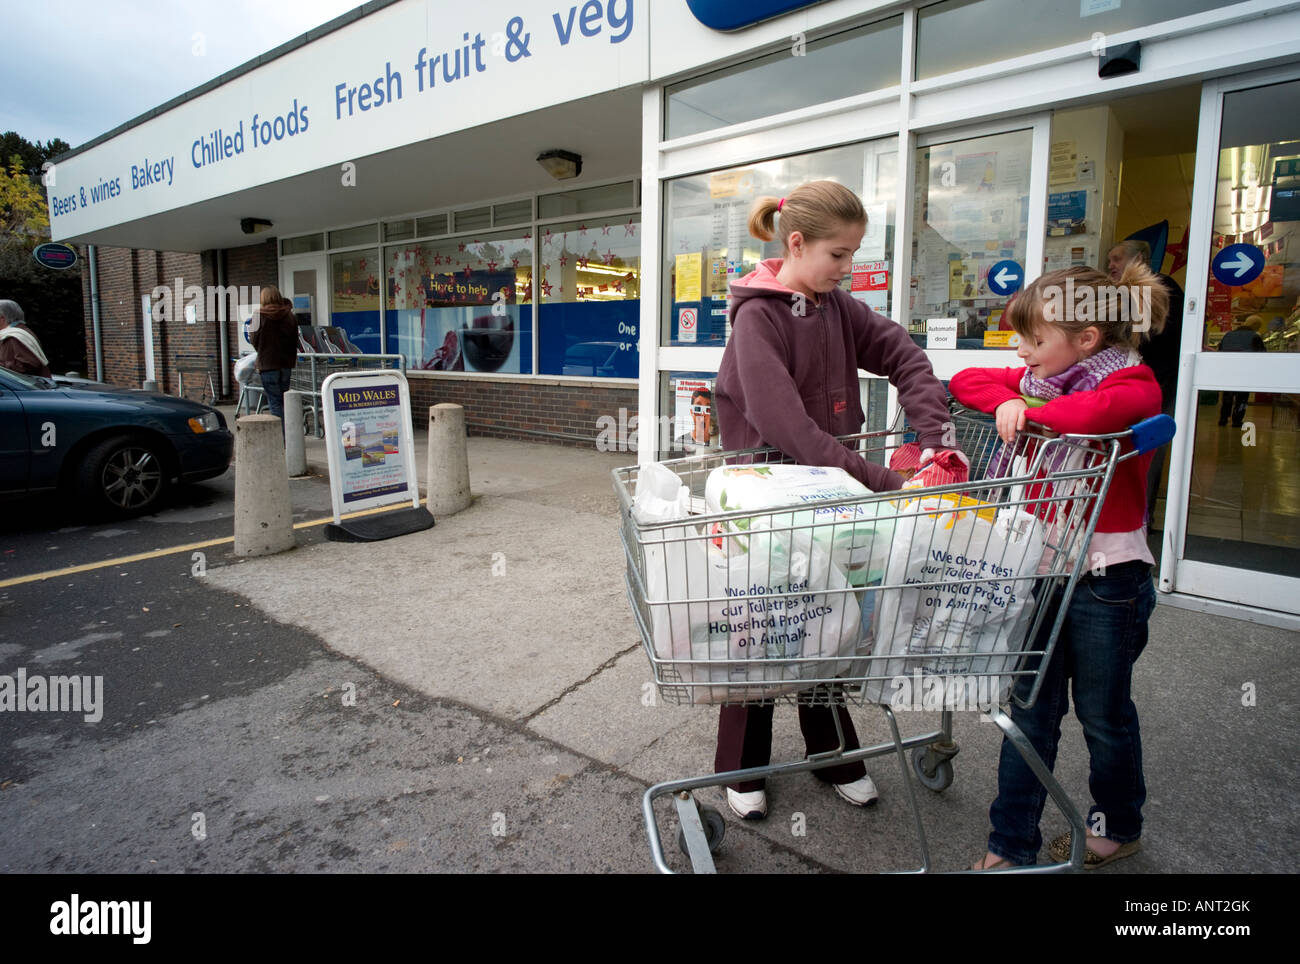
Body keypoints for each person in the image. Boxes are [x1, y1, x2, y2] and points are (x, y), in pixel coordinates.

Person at [714, 180, 959, 820]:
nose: (849, 268)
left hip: (828, 499)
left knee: (828, 621)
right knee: (763, 629)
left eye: (853, 254)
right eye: (839, 254)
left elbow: (905, 356)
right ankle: (743, 768)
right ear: (795, 243)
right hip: (763, 499)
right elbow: (786, 428)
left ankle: (831, 752)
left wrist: (932, 438)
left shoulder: (836, 307)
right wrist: (886, 480)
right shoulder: (758, 317)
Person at [950, 261, 1169, 869]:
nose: (1021, 352)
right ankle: (1010, 841)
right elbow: (966, 378)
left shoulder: (1135, 385)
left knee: (1103, 713)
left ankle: (1120, 825)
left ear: (1087, 340)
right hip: (1044, 567)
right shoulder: (1043, 379)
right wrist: (1013, 399)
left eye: (1034, 340)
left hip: (1109, 580)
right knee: (1031, 708)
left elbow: (1095, 418)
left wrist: (1024, 409)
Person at [1107, 240, 1182, 524]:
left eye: (1116, 258)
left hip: (1156, 385)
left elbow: (1158, 335)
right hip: (1132, 385)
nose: (1111, 265)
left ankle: (1140, 517)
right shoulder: (1114, 295)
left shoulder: (1161, 290)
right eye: (1109, 260)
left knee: (1145, 451)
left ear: (1139, 258)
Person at [248, 285, 298, 435]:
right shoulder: (290, 316)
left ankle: (281, 438)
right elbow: (295, 340)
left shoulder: (259, 316)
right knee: (285, 402)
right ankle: (290, 437)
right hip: (286, 365)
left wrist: (262, 350)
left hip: (268, 364)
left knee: (274, 403)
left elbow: (253, 339)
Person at [1215, 315, 1267, 427]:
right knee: (1242, 398)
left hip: (1228, 371)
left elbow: (1220, 351)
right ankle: (1237, 420)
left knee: (1227, 396)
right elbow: (1262, 355)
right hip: (1245, 372)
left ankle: (1223, 419)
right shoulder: (1255, 336)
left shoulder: (1228, 335)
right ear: (1255, 326)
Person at [0, 300, 53, 378]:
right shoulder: (19, 331)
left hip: (25, 387)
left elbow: (28, 364)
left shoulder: (15, 336)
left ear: (2, 318)